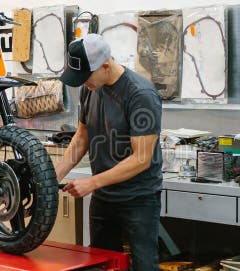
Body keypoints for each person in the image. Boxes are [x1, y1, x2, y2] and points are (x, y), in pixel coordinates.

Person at [55, 34, 163, 271]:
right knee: (102, 264)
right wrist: (54, 176)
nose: (83, 83)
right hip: (104, 197)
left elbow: (141, 159)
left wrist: (92, 182)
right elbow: (82, 137)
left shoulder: (141, 94)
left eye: (86, 77)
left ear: (105, 64)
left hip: (138, 198)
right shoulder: (91, 88)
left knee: (144, 265)